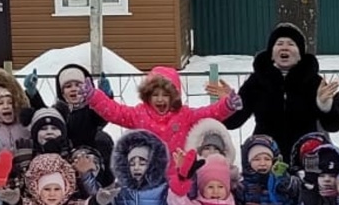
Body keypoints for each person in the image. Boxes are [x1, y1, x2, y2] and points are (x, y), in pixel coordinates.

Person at [225, 23, 339, 151]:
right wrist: (228, 105)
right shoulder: (256, 81)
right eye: (279, 43)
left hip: (305, 156)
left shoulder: (314, 82)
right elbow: (233, 122)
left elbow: (333, 126)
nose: (285, 47)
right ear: (271, 53)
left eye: (291, 44)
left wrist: (325, 106)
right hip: (266, 158)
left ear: (300, 54)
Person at [83, 65, 240, 154]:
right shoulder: (139, 114)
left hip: (178, 175)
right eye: (155, 95)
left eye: (165, 95)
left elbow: (208, 113)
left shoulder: (184, 115)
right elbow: (115, 111)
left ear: (174, 97)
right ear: (147, 95)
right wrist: (94, 97)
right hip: (148, 174)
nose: (160, 99)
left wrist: (227, 105)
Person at [23, 63, 111, 153]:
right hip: (62, 154)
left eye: (78, 85)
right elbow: (44, 114)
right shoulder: (59, 109)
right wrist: (32, 93)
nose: (74, 89)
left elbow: (104, 115)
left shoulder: (91, 110)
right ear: (62, 93)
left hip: (88, 155)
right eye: (68, 86)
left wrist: (105, 97)